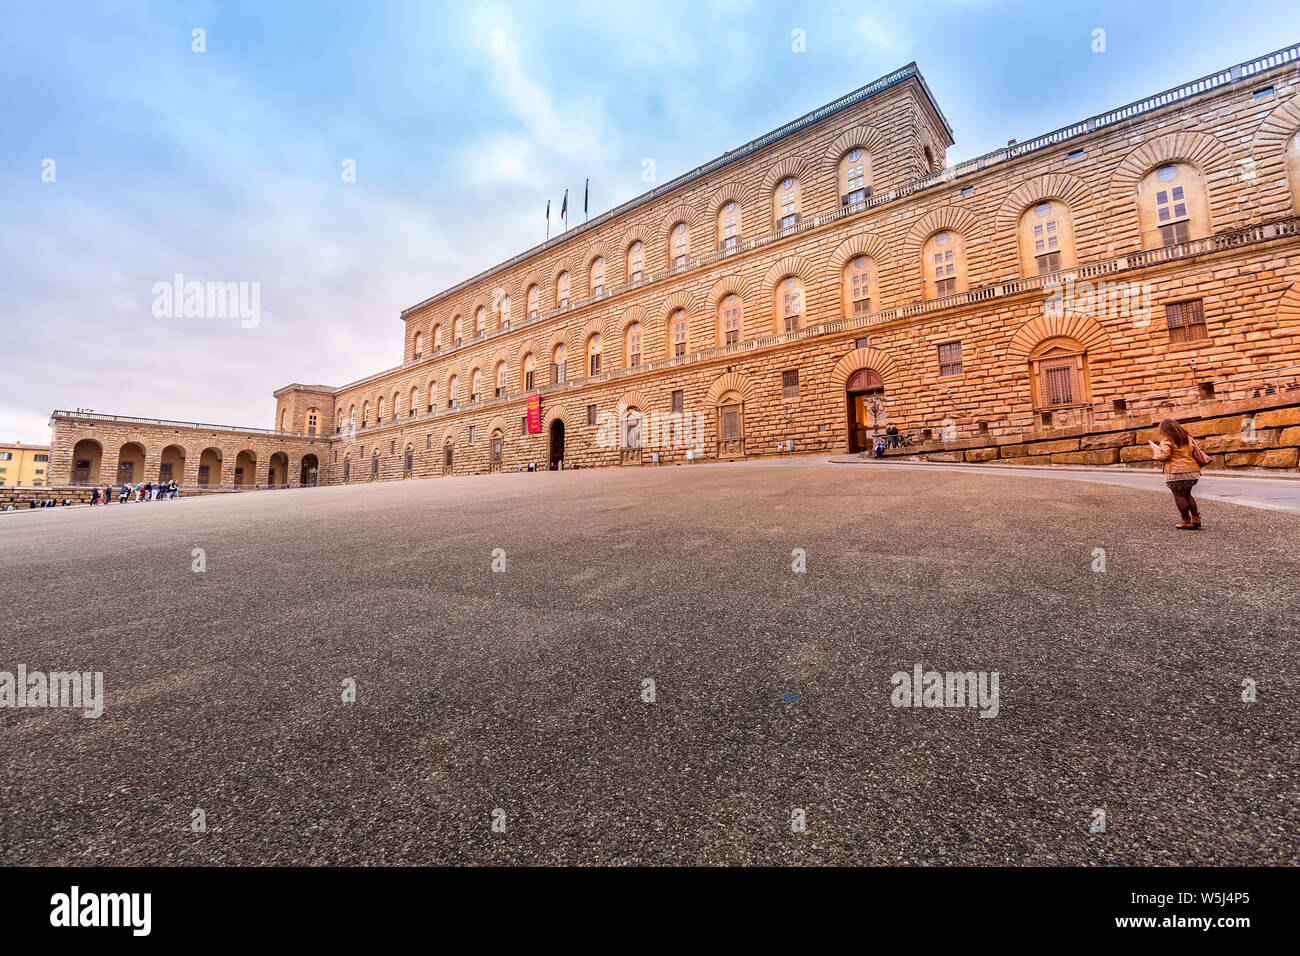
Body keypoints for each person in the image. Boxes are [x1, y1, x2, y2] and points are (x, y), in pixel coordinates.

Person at [1151, 418, 1207, 530]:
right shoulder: (1188, 438)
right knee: (1188, 494)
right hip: (1192, 471)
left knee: (1179, 496)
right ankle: (1196, 518)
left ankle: (1186, 521)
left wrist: (1156, 453)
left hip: (1176, 472)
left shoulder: (1167, 439)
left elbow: (1165, 454)